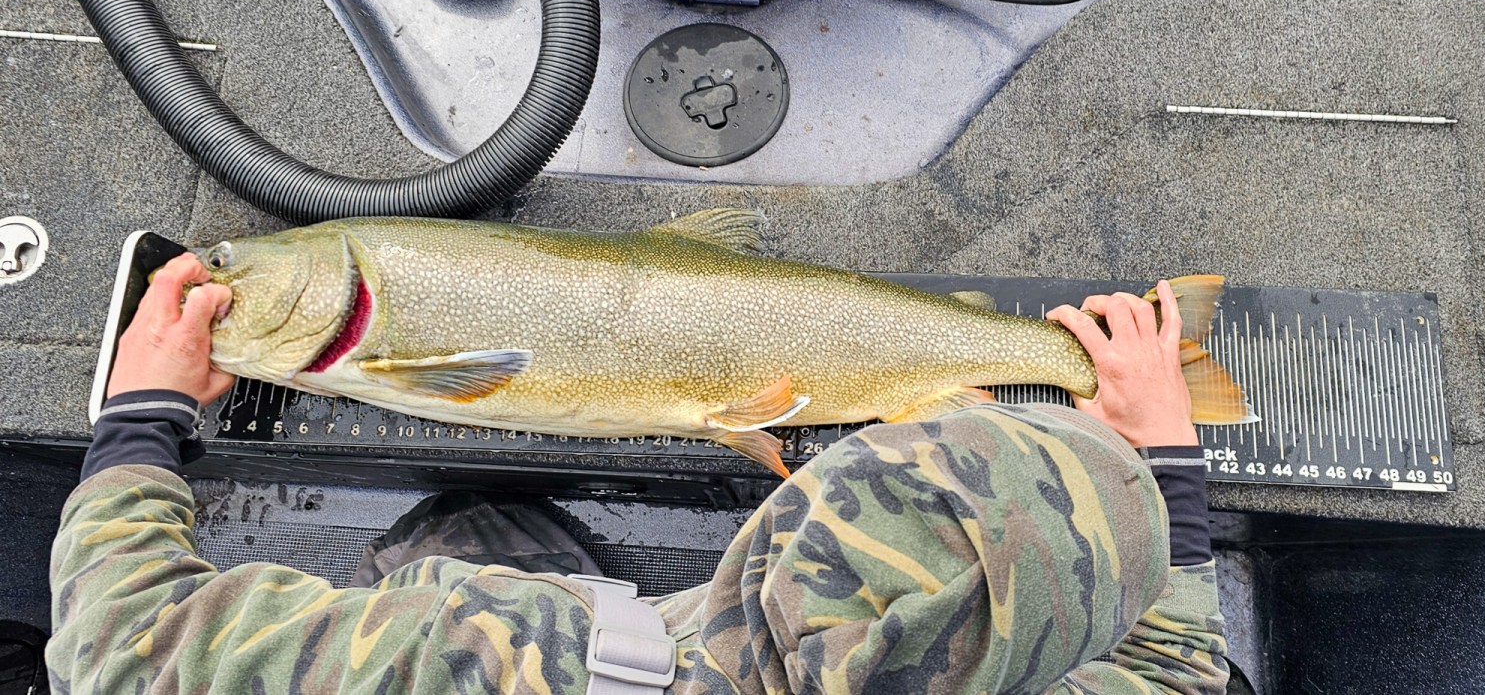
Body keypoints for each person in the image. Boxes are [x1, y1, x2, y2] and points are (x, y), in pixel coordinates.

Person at [48, 253, 1229, 694]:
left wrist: (144, 413)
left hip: (592, 654)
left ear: (787, 523)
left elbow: (120, 649)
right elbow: (1178, 673)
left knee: (455, 549)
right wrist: (1161, 445)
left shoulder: (500, 666)